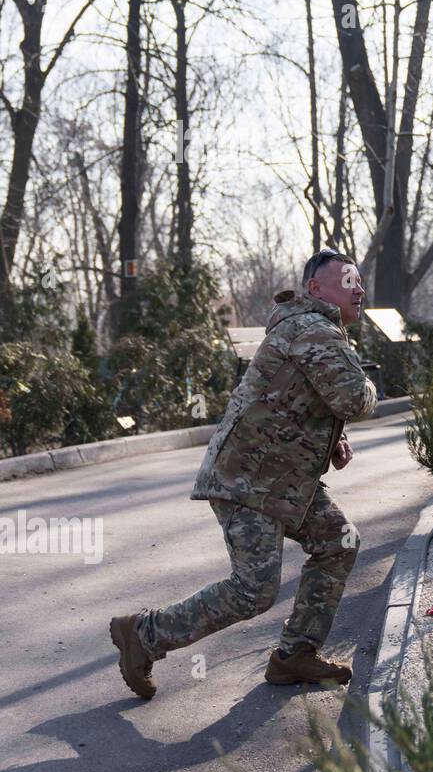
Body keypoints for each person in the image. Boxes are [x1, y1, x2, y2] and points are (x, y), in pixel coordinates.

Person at [109, 249, 378, 699]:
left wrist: (333, 438)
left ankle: (295, 655)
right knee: (253, 589)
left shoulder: (315, 329)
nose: (359, 288)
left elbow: (302, 399)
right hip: (248, 479)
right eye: (348, 279)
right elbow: (354, 396)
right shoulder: (313, 327)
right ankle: (143, 634)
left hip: (281, 479)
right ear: (316, 289)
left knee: (338, 541)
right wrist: (370, 386)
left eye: (359, 280)